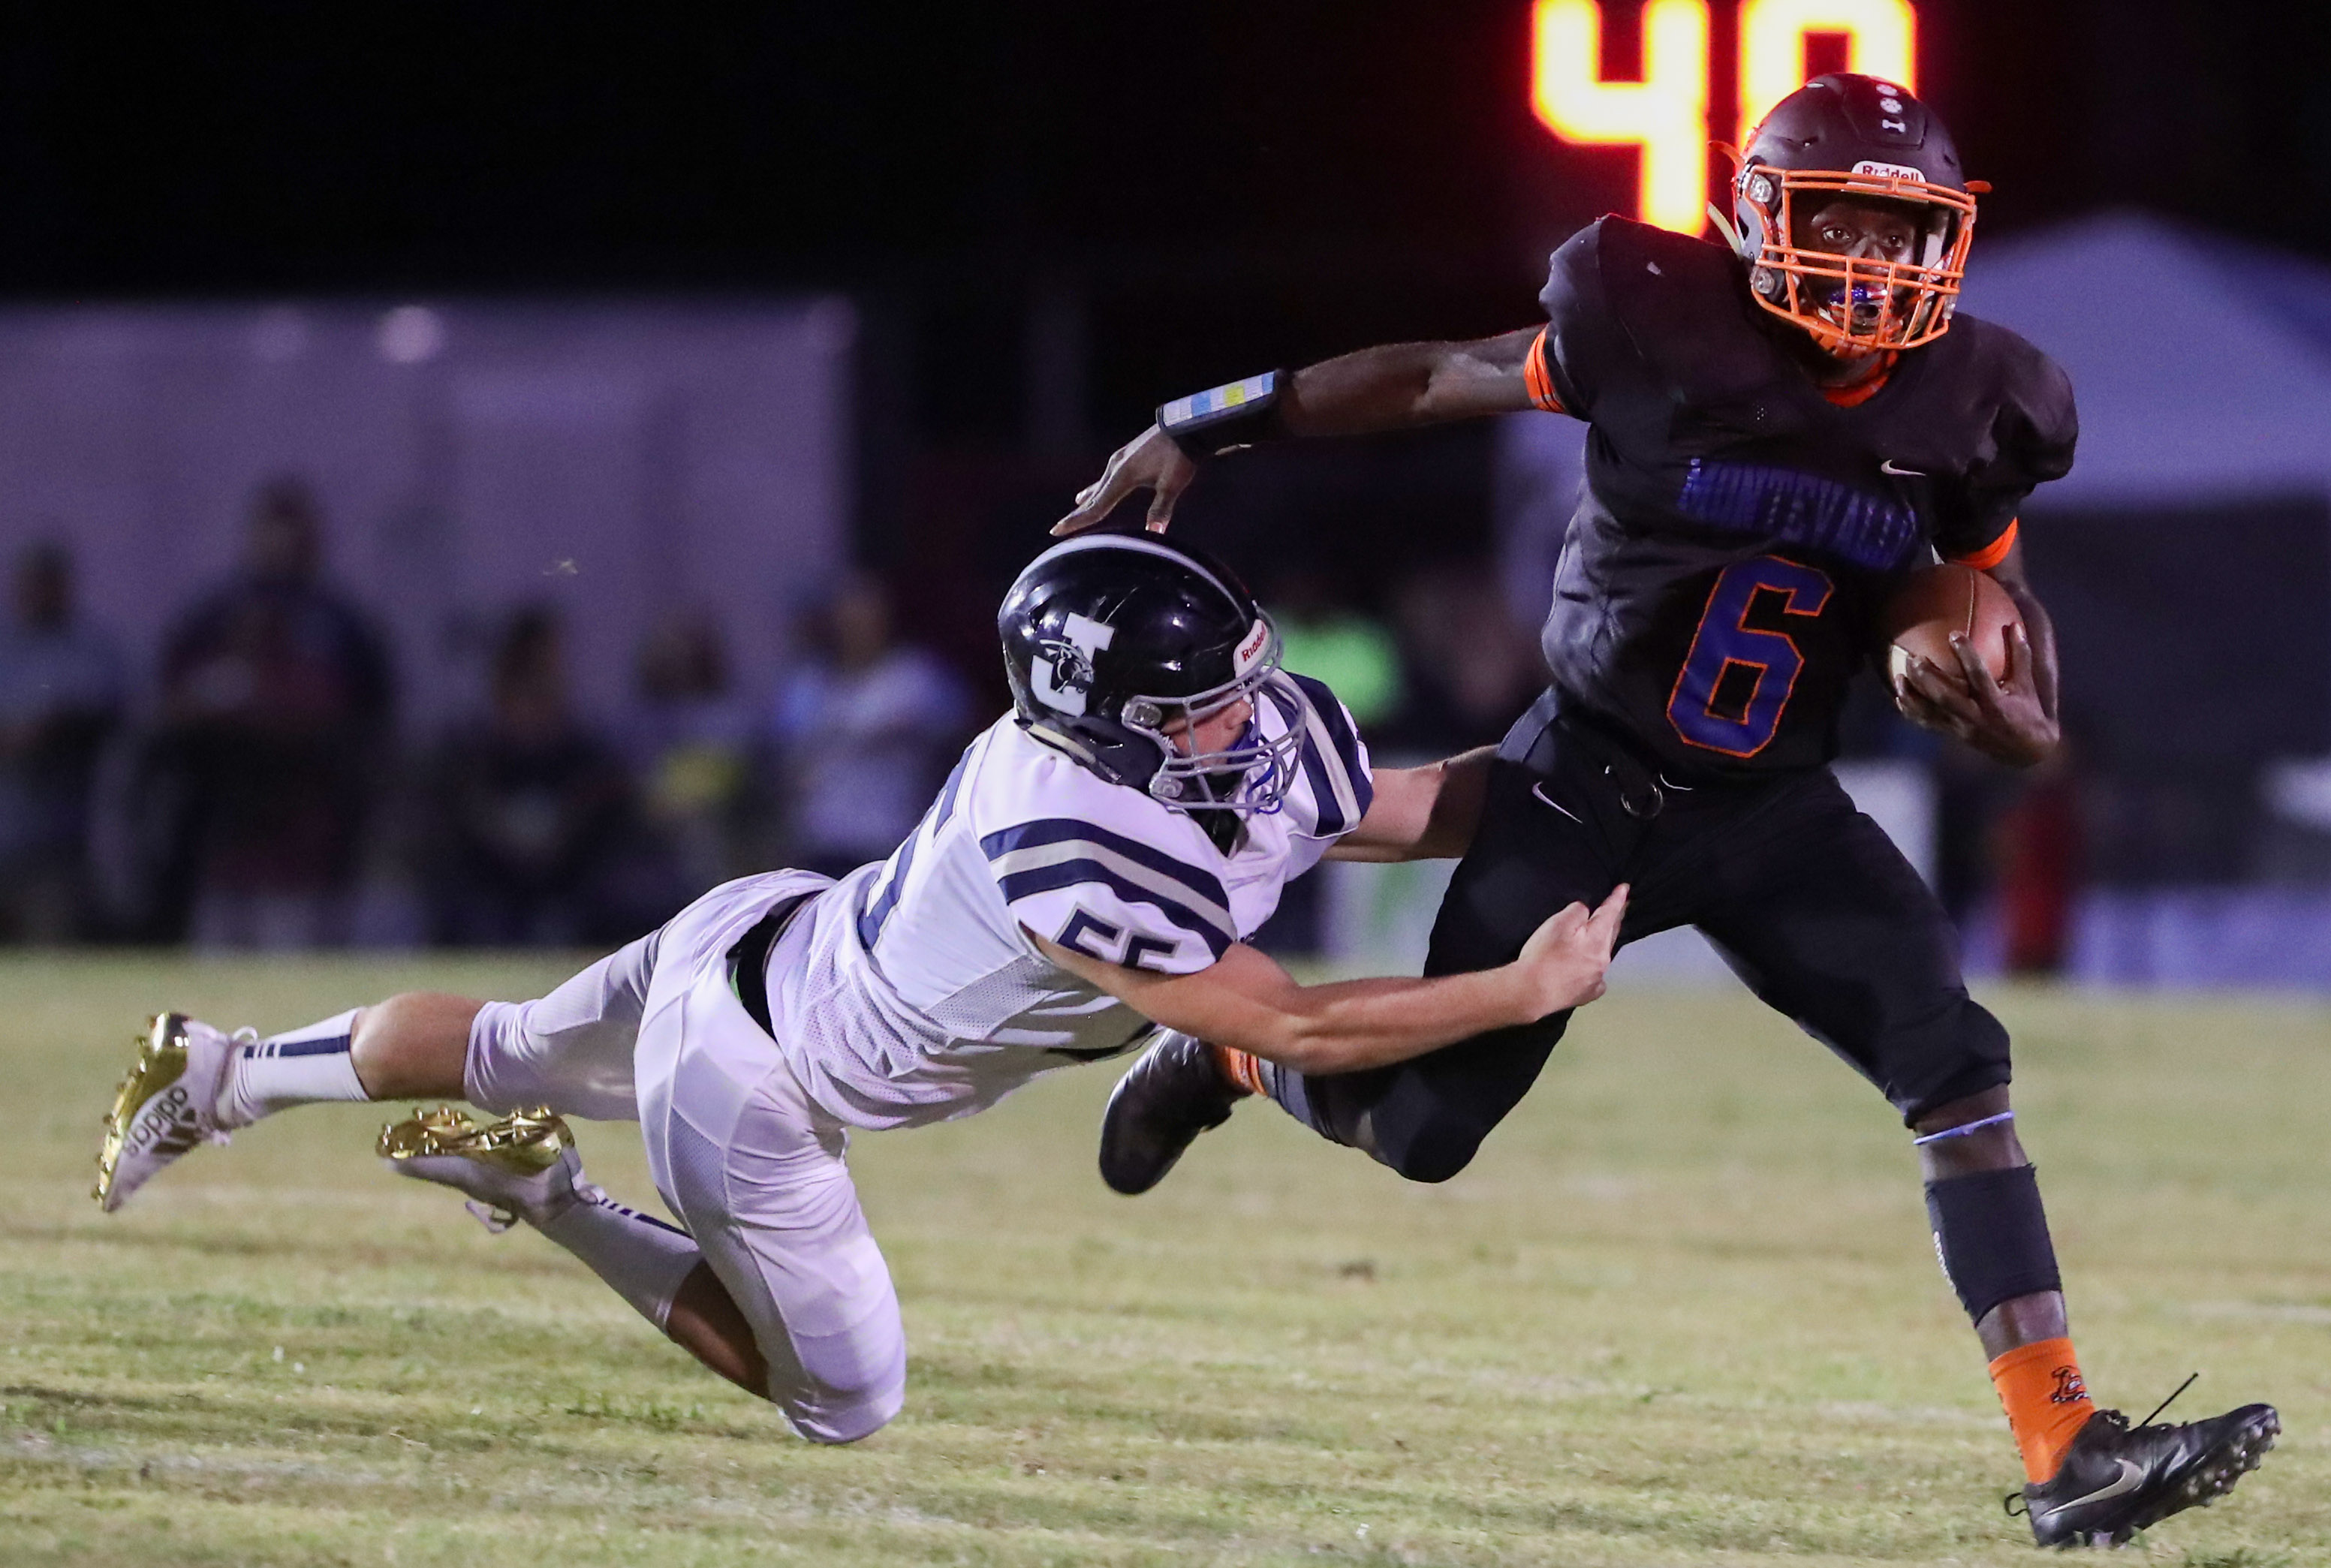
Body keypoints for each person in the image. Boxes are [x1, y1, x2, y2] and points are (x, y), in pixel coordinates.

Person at [1056, 75, 2275, 1548]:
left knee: (1955, 1068)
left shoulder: (1980, 399)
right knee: (1426, 1133)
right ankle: (1237, 1064)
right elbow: (1436, 374)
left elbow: (1984, 578)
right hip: (1584, 780)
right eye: (1839, 224)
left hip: (1771, 802)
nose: (1870, 265)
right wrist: (1208, 421)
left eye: (1901, 236)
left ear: (1946, 245)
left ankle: (2062, 1444)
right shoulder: (1647, 317)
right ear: (1758, 215)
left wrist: (2021, 707)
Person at [91, 532, 1626, 1446]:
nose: (1243, 719)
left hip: (759, 932)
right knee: (843, 1403)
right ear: (1108, 727)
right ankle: (554, 1196)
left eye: (1236, 678)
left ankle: (219, 1070)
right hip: (756, 1084)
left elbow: (1405, 801)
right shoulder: (1071, 843)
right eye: (1199, 704)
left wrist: (1620, 783)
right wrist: (1516, 987)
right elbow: (1284, 1022)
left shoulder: (1176, 745)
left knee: (496, 1043)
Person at [155, 478, 395, 947]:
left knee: (295, 965)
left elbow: (371, 719)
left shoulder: (341, 625)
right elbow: (172, 704)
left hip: (308, 832)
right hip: (223, 830)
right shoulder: (215, 617)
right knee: (218, 965)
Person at [420, 607, 639, 947]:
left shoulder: (586, 757)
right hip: (491, 888)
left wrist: (563, 829)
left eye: (548, 676)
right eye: (527, 679)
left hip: (569, 885)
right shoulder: (475, 756)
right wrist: (499, 831)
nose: (539, 693)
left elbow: (600, 810)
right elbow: (465, 811)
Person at [769, 571, 970, 880]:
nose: (858, 624)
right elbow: (787, 761)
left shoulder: (916, 677)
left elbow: (963, 741)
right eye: (849, 615)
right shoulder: (807, 686)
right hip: (822, 841)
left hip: (891, 841)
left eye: (868, 614)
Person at [0, 542, 124, 940]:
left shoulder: (90, 651)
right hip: (7, 830)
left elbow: (105, 715)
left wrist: (50, 730)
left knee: (51, 949)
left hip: (57, 845)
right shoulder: (7, 649)